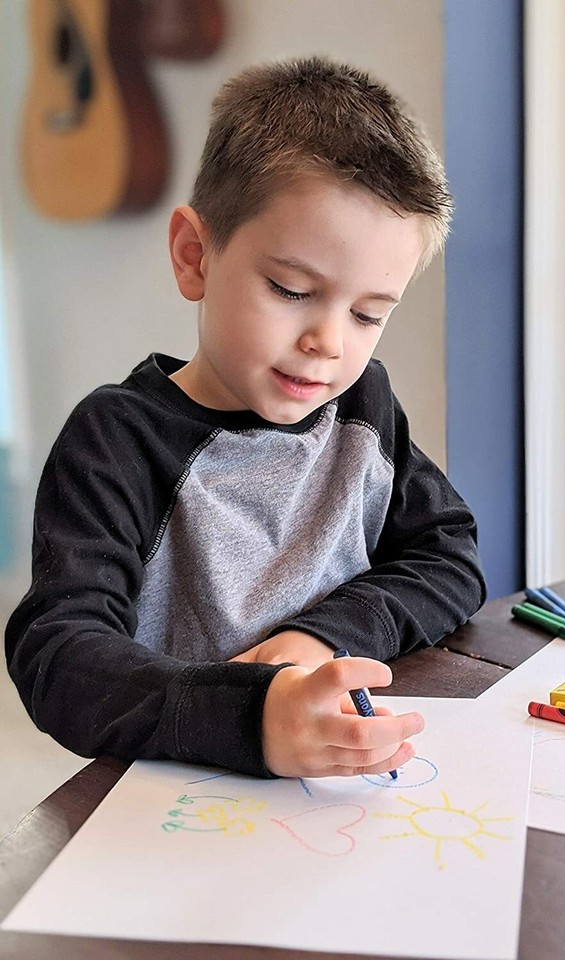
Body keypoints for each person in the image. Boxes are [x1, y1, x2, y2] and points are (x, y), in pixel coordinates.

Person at [5, 56, 486, 781]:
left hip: (334, 794)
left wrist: (319, 638)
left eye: (366, 315)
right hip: (174, 798)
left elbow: (448, 555)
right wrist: (249, 714)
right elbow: (60, 656)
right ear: (195, 255)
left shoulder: (363, 410)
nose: (328, 342)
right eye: (291, 289)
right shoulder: (117, 440)